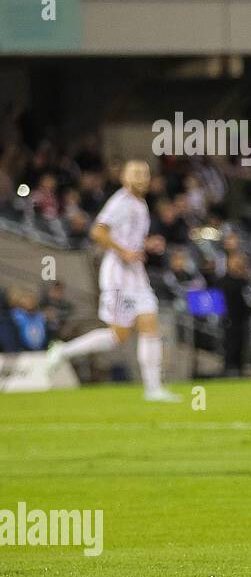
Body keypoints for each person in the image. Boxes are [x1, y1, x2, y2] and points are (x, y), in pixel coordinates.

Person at [46, 159, 180, 401]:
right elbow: (97, 231)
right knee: (118, 336)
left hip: (136, 275)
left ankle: (153, 389)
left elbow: (127, 238)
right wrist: (124, 251)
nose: (142, 177)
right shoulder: (121, 201)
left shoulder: (140, 203)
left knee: (150, 325)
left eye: (145, 173)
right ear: (124, 178)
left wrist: (146, 245)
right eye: (136, 173)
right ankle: (63, 350)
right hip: (118, 276)